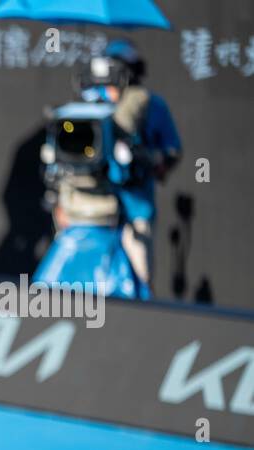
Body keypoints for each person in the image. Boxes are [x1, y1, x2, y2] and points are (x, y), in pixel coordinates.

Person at [80, 39, 181, 290]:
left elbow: (172, 150)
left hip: (136, 208)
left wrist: (152, 164)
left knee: (138, 278)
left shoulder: (151, 105)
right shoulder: (90, 104)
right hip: (92, 207)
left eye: (120, 69)